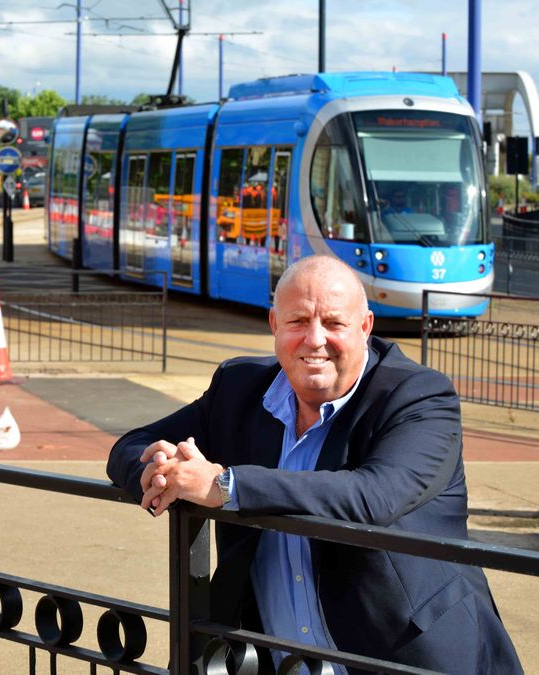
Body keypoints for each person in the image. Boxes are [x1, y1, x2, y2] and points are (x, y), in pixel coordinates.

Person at [107, 255, 521, 674]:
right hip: (267, 657)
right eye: (298, 321)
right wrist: (160, 470)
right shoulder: (238, 387)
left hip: (405, 656)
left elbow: (374, 496)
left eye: (334, 323)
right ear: (274, 324)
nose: (315, 339)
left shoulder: (419, 397)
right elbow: (129, 445)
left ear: (365, 327)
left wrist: (226, 485)